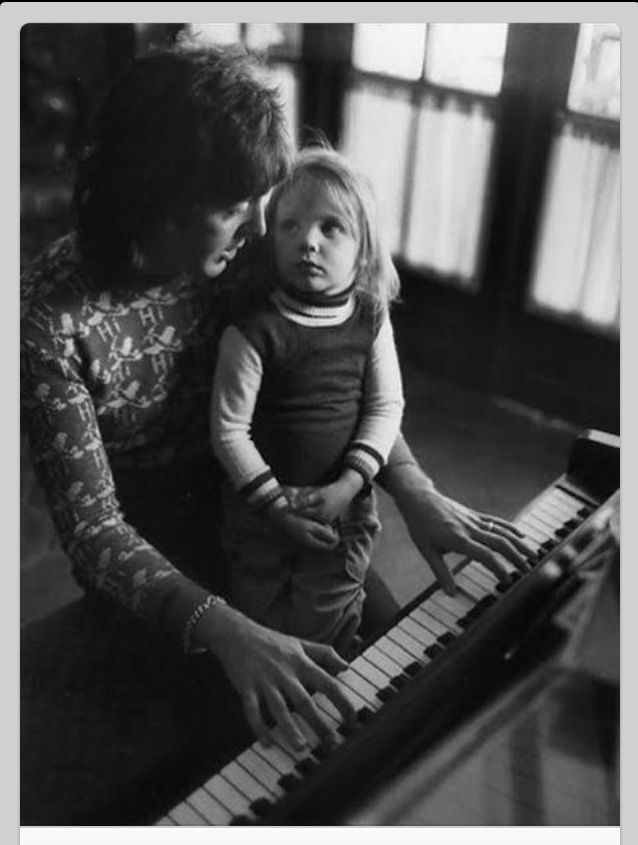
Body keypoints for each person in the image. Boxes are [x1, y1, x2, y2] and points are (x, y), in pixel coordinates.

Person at [21, 43, 534, 754]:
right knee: (284, 737)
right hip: (154, 546)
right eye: (236, 206)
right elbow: (94, 532)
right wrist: (228, 629)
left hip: (270, 502)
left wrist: (413, 489)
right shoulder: (47, 318)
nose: (264, 227)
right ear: (156, 200)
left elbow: (339, 371)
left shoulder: (244, 251)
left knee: (403, 675)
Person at [211, 145, 404, 658]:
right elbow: (229, 430)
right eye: (289, 226)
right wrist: (274, 506)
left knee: (327, 624)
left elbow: (385, 408)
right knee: (262, 622)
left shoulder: (370, 317)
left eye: (330, 227)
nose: (307, 242)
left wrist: (349, 483)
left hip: (339, 510)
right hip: (260, 513)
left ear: (364, 247)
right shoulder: (254, 330)